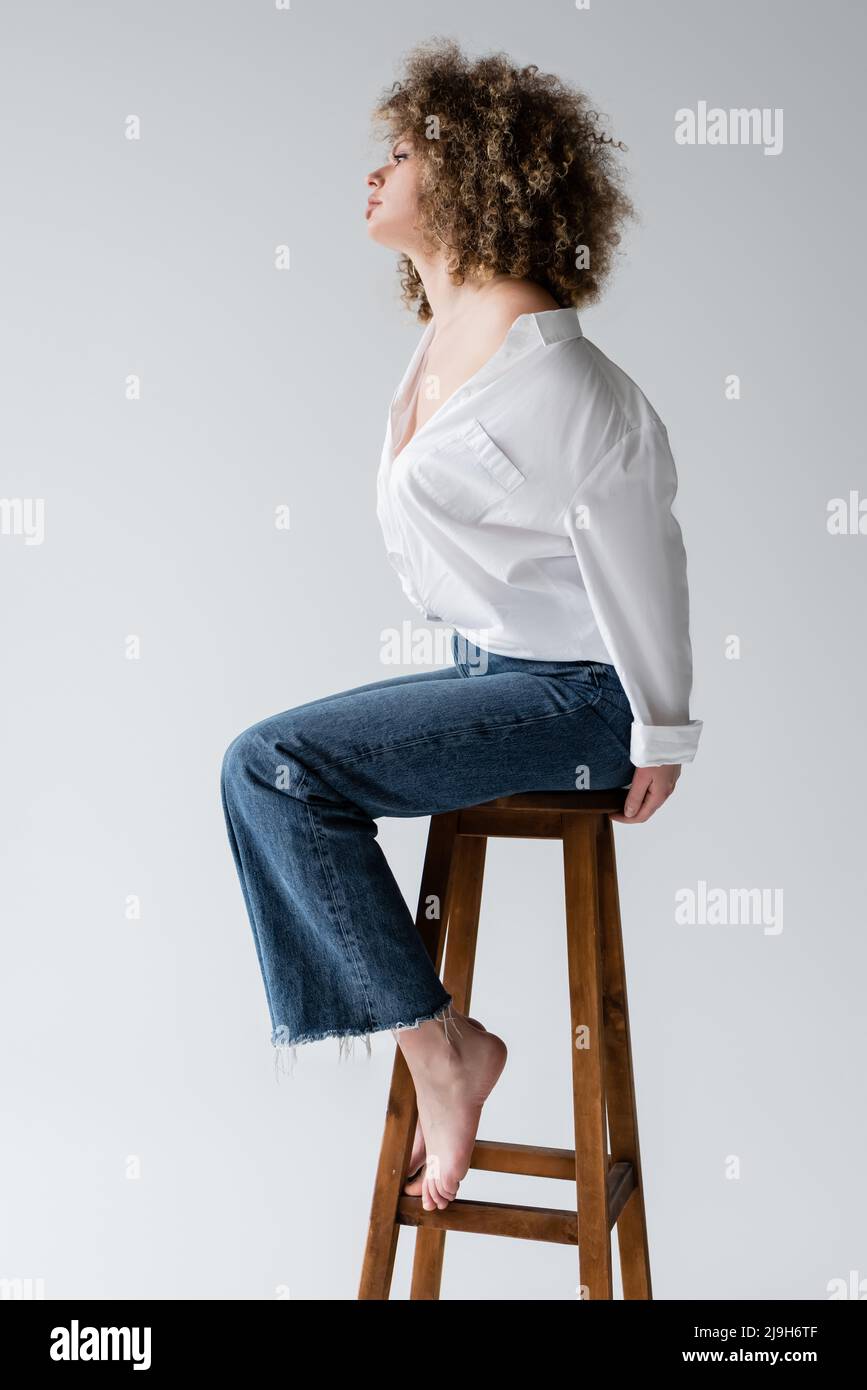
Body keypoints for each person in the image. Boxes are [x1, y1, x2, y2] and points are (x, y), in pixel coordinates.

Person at [220, 38, 703, 1215]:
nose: (374, 171)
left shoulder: (564, 382)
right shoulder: (440, 352)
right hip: (498, 672)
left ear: (477, 166)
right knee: (271, 772)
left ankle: (442, 1051)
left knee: (270, 768)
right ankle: (438, 1042)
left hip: (582, 694)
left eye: (403, 149)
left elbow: (645, 547)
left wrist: (664, 728)